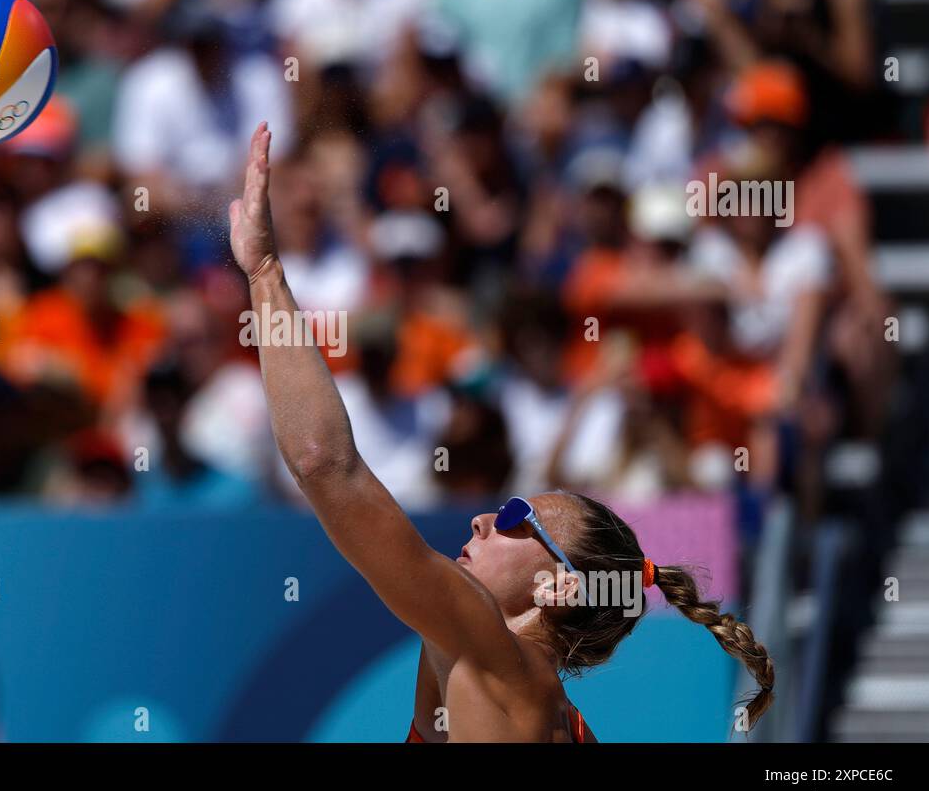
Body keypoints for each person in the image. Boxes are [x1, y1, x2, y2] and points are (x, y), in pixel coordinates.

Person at [228, 123, 775, 742]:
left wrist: (265, 273)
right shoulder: (522, 696)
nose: (483, 519)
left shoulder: (496, 658)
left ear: (558, 586)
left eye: (517, 516)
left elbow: (323, 463)